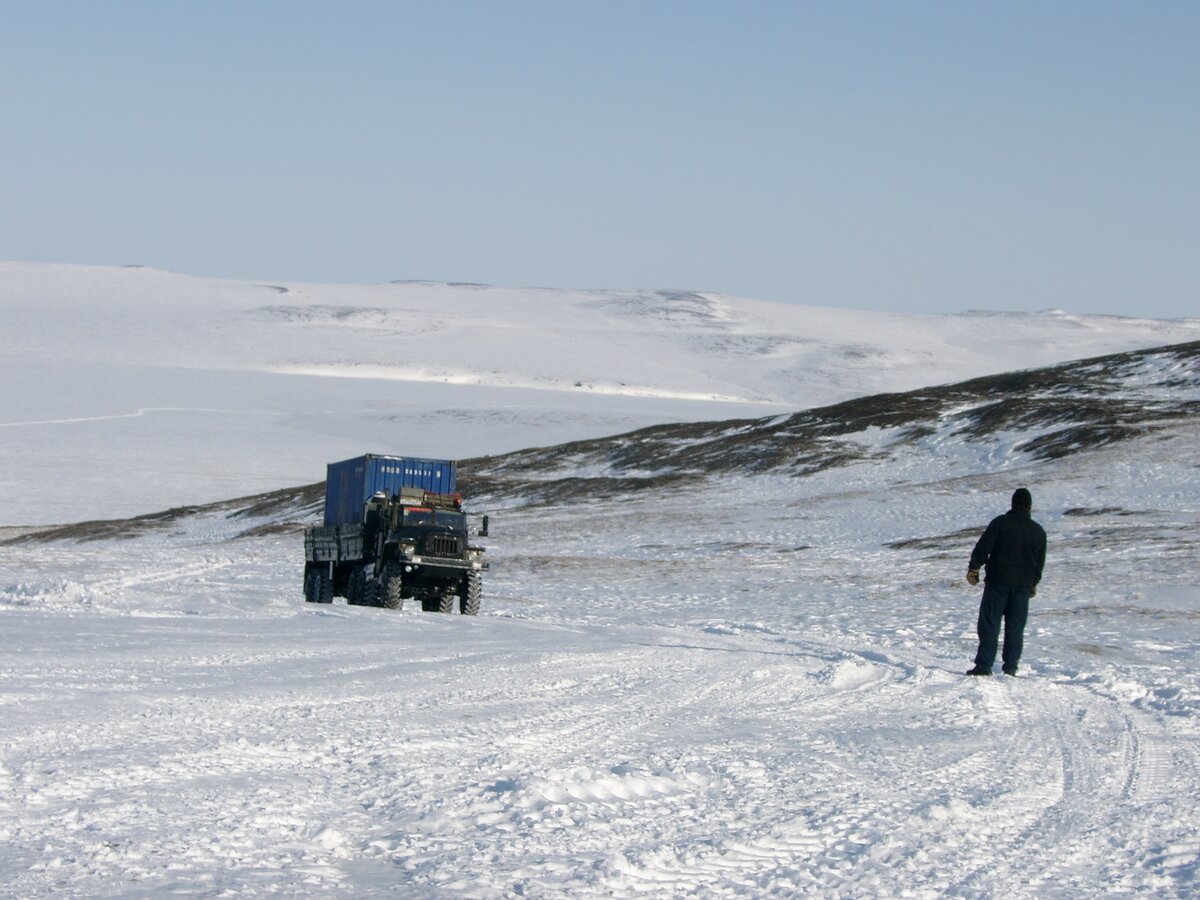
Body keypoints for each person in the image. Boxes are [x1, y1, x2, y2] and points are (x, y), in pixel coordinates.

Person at [964, 488, 1046, 676]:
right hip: (1023, 587)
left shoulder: (1001, 523)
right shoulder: (1038, 532)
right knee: (1015, 628)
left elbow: (983, 547)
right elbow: (1039, 563)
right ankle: (1010, 668)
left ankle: (984, 666)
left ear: (1012, 503)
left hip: (998, 584)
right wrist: (1033, 583)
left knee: (990, 625)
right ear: (1030, 507)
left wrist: (974, 568)